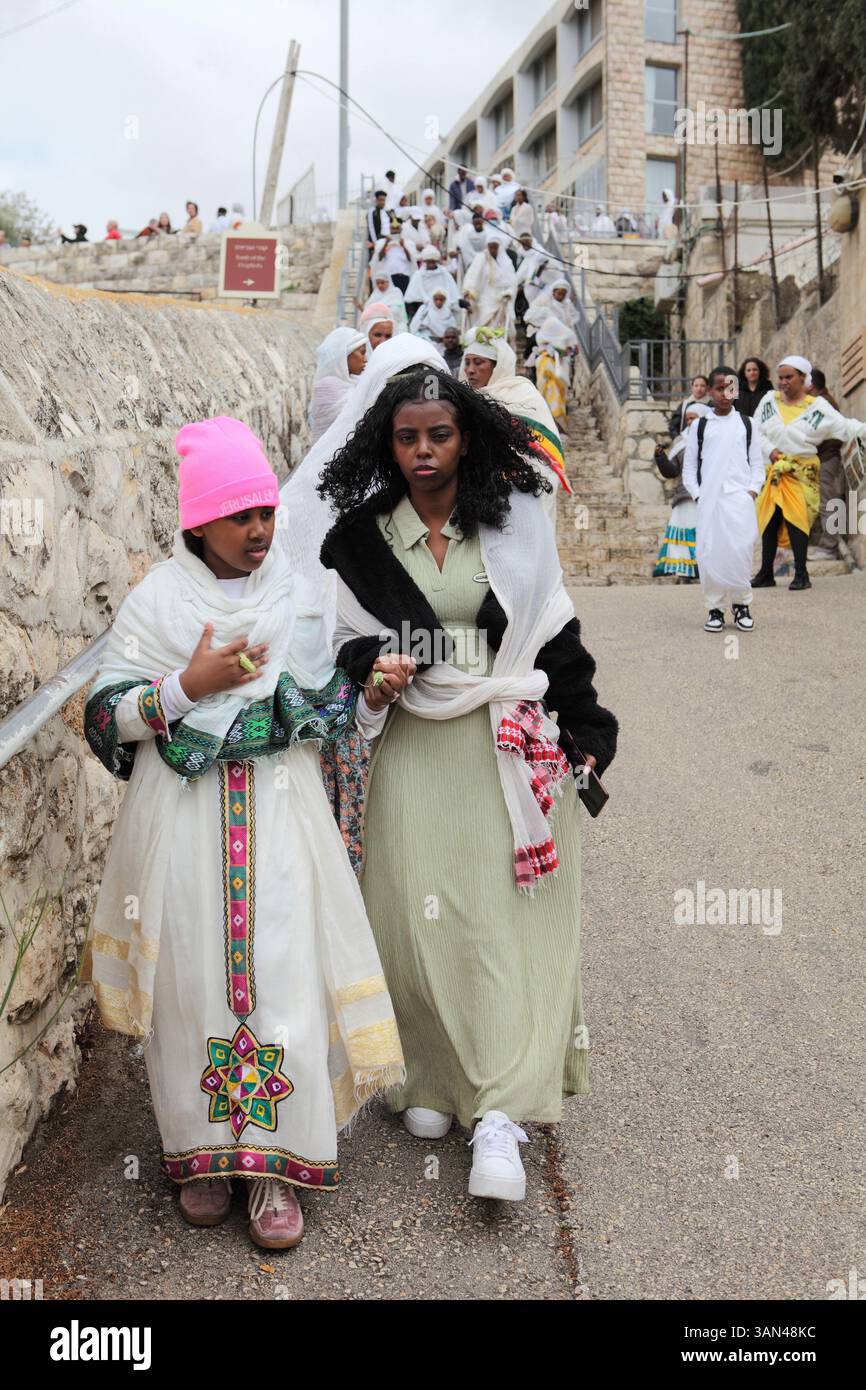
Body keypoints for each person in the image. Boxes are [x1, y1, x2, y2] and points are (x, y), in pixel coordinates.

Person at [84, 415, 403, 1250]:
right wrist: (187, 686)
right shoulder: (158, 600)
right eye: (241, 515)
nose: (261, 529)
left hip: (281, 815)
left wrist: (369, 699)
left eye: (267, 511)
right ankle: (201, 1157)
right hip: (181, 828)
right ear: (199, 522)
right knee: (192, 978)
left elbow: (324, 707)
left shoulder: (297, 597)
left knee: (281, 973)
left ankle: (271, 1170)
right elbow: (106, 716)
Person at [316, 368, 617, 1204]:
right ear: (388, 442)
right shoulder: (360, 539)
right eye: (406, 437)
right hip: (413, 748)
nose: (422, 451)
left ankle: (500, 1114)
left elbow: (555, 635)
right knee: (415, 919)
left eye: (438, 435)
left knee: (495, 928)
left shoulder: (515, 526)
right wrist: (373, 676)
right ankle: (433, 1082)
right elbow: (344, 646)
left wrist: (590, 734)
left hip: (505, 752)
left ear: (466, 437)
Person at [752, 355, 866, 590]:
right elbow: (756, 430)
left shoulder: (817, 407)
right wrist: (770, 450)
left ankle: (801, 573)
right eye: (781, 377)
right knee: (769, 520)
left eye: (789, 377)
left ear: (803, 379)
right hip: (774, 471)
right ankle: (765, 572)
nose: (783, 382)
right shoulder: (768, 402)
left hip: (801, 472)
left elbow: (844, 425)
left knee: (797, 520)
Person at [682, 366, 765, 632]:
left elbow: (757, 464)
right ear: (709, 390)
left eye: (730, 388)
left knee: (741, 551)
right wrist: (698, 494)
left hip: (739, 501)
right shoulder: (700, 426)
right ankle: (714, 608)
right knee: (710, 553)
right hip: (710, 502)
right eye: (720, 388)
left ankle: (742, 604)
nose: (725, 394)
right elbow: (689, 466)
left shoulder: (747, 424)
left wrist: (751, 491)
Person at [461, 325, 571, 521]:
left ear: (497, 366)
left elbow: (543, 453)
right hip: (480, 497)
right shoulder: (464, 402)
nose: (470, 370)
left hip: (522, 493)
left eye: (479, 363)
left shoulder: (524, 397)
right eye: (467, 363)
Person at [652, 399, 712, 581]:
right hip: (685, 496)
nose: (690, 422)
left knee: (706, 534)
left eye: (694, 418)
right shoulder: (680, 441)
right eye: (687, 419)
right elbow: (672, 471)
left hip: (707, 496)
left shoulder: (712, 440)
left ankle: (707, 570)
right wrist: (661, 458)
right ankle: (685, 571)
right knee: (682, 532)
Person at [807, 368, 846, 560]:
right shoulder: (821, 401)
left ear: (810, 385)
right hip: (824, 458)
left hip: (827, 458)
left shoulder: (823, 404)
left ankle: (830, 548)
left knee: (828, 503)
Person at [309, 327, 367, 443]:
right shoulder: (328, 387)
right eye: (361, 353)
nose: (365, 359)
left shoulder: (354, 382)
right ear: (344, 354)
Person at [524, 316, 578, 433]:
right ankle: (555, 427)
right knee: (553, 402)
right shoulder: (545, 352)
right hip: (549, 382)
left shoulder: (550, 348)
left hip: (549, 383)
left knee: (552, 402)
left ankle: (555, 427)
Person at [462, 231, 517, 343]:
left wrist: (509, 292)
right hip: (486, 297)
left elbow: (512, 281)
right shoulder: (481, 258)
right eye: (491, 247)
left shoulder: (506, 262)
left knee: (505, 328)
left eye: (495, 247)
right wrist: (469, 291)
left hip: (502, 297)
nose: (493, 250)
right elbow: (473, 275)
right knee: (485, 325)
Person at [404, 246, 460, 321]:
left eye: (433, 261)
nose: (431, 264)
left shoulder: (444, 273)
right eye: (428, 261)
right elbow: (410, 299)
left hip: (444, 310)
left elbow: (453, 295)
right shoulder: (418, 276)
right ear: (425, 262)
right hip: (423, 311)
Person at [369, 228, 416, 295]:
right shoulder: (381, 242)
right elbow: (379, 257)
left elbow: (410, 259)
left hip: (403, 276)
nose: (395, 232)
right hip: (390, 276)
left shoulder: (408, 242)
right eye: (393, 230)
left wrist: (403, 246)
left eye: (397, 230)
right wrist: (386, 243)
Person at [366, 190, 390, 256]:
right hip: (377, 242)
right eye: (380, 200)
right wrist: (375, 243)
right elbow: (371, 228)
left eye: (384, 200)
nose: (382, 202)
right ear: (376, 200)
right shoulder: (372, 211)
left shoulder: (386, 212)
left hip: (387, 241)